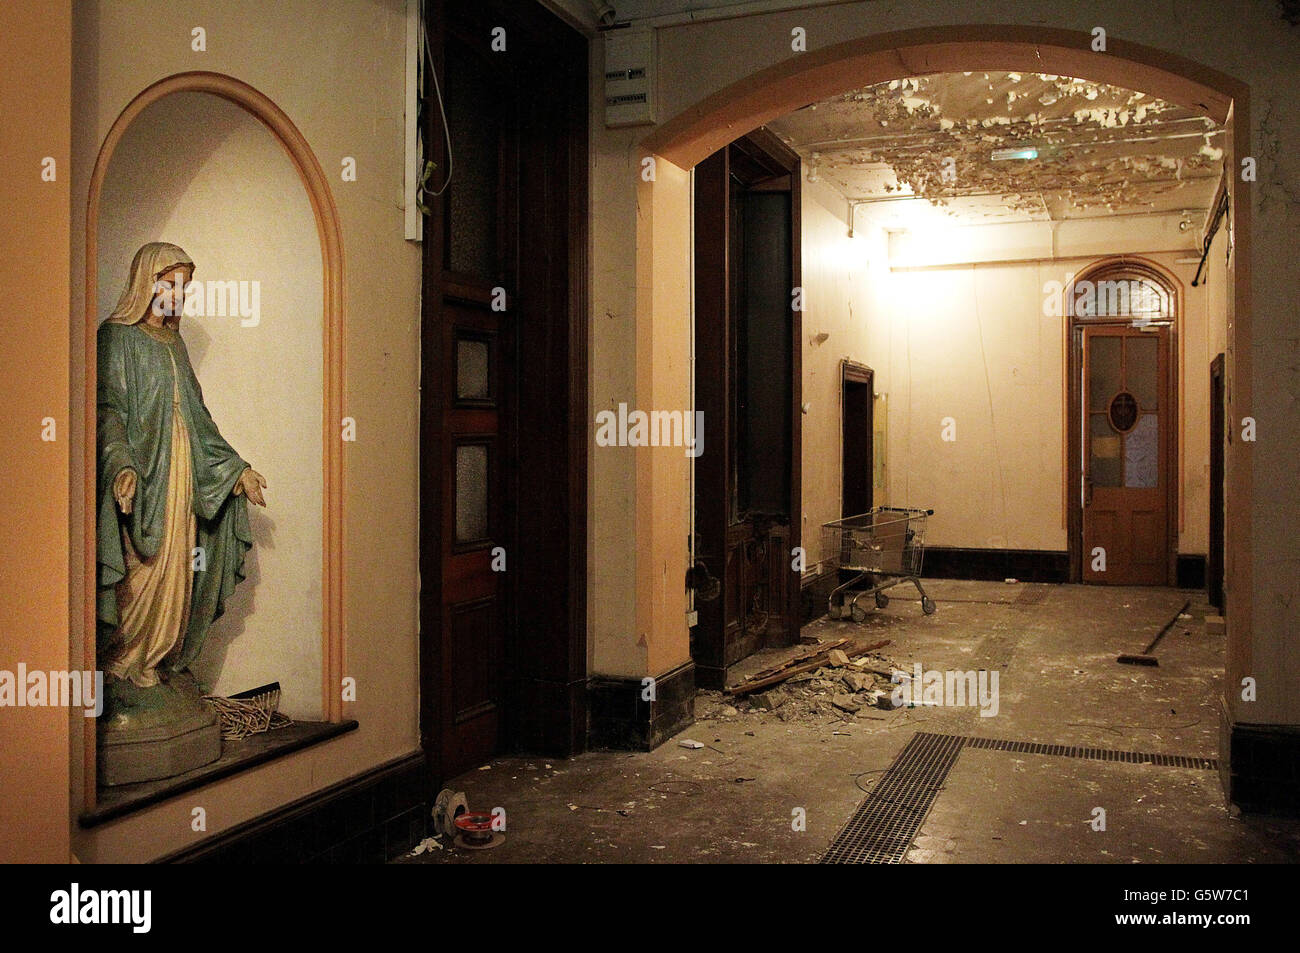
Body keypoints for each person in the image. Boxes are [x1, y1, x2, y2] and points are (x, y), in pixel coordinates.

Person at [97, 242, 267, 721]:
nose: (179, 295)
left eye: (185, 287)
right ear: (144, 284)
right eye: (170, 284)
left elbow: (198, 418)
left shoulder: (175, 344)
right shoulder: (115, 338)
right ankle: (120, 665)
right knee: (139, 571)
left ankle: (153, 664)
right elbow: (107, 411)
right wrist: (122, 466)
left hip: (181, 481)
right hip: (142, 483)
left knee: (177, 574)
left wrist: (236, 469)